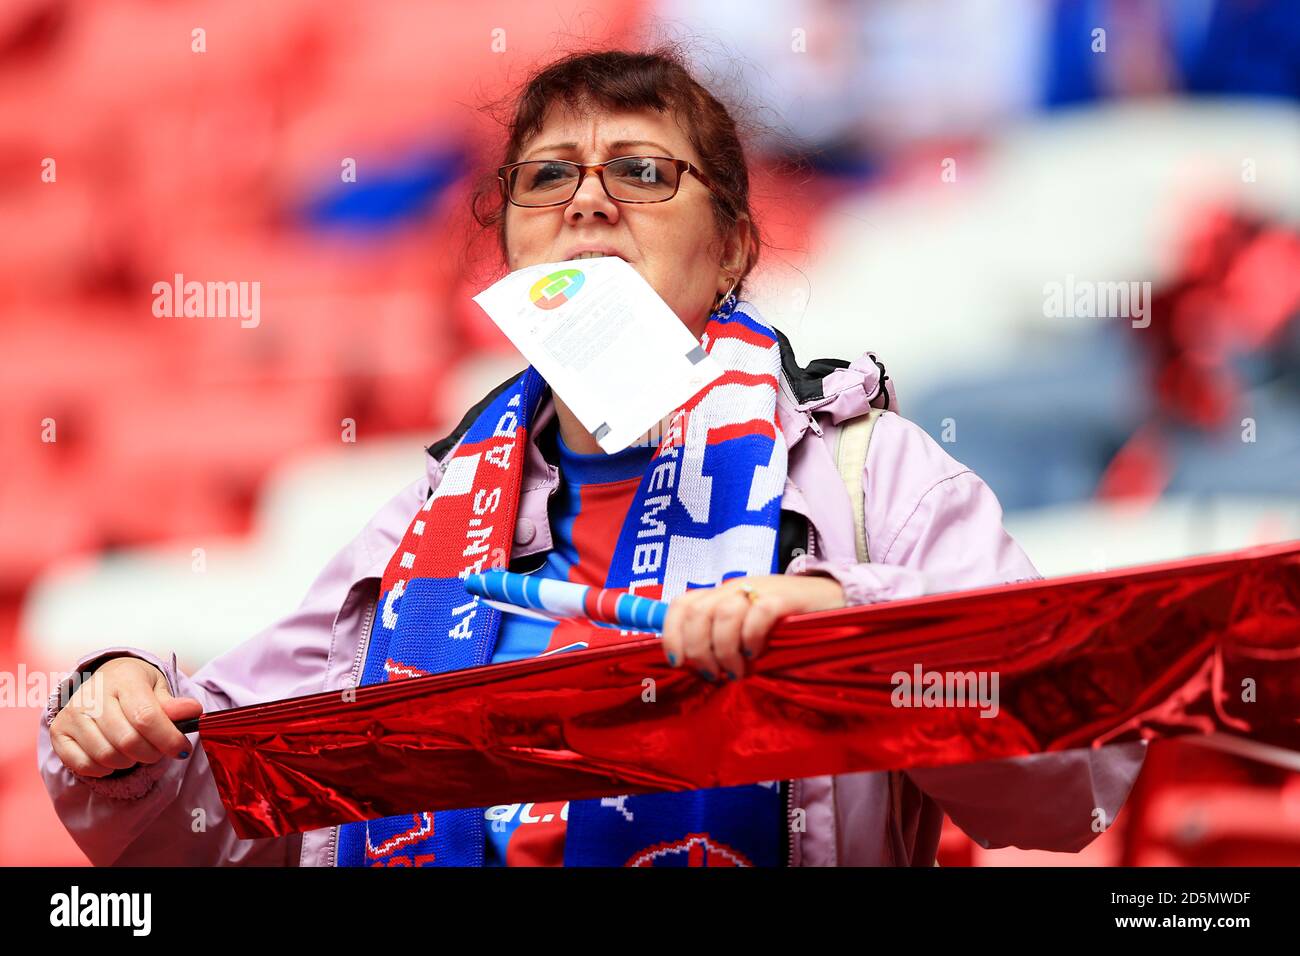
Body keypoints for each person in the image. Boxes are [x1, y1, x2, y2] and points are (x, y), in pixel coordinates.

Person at [37, 46, 1146, 867]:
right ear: (509, 243)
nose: (589, 199)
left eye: (644, 173)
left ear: (732, 251)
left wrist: (849, 635)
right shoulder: (423, 514)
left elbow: (1071, 789)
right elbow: (220, 821)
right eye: (546, 176)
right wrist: (121, 719)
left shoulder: (868, 475)